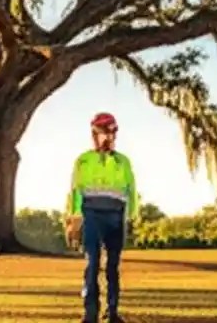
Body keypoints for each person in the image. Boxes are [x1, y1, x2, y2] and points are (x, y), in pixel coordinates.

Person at [65, 111, 138, 323]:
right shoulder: (84, 161)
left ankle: (112, 311)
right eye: (104, 133)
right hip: (91, 216)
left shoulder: (123, 162)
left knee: (113, 266)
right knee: (93, 263)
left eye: (112, 133)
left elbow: (131, 190)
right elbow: (75, 191)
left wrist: (132, 217)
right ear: (95, 134)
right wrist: (74, 219)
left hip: (116, 216)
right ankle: (90, 313)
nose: (109, 137)